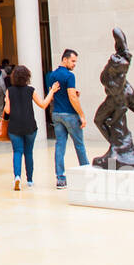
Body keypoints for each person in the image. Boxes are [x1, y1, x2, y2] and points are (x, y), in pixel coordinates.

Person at [3, 65, 59, 190]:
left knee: (17, 152)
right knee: (28, 152)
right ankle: (30, 180)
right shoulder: (30, 90)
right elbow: (43, 104)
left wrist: (7, 101)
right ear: (27, 77)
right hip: (30, 126)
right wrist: (52, 91)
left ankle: (17, 177)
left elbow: (7, 109)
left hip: (14, 126)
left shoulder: (9, 91)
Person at [45, 49, 87, 188]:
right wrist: (81, 114)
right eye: (73, 61)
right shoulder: (70, 76)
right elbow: (71, 96)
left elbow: (55, 93)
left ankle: (60, 179)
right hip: (69, 114)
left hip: (56, 114)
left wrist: (73, 92)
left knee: (60, 146)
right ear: (65, 59)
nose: (74, 64)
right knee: (79, 144)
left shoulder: (52, 75)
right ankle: (86, 173)